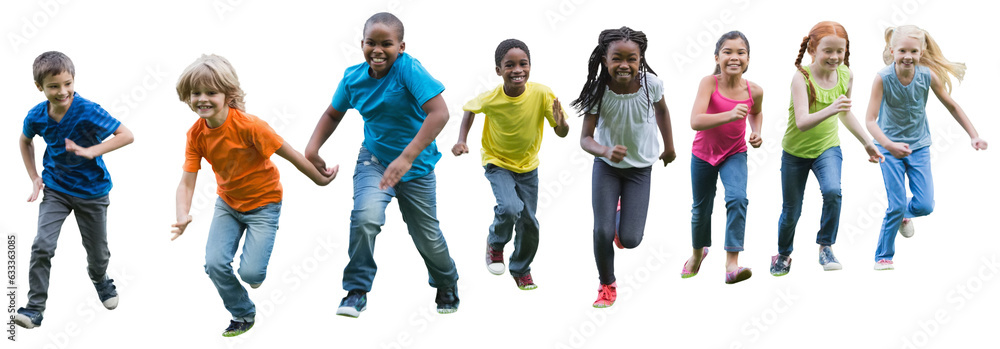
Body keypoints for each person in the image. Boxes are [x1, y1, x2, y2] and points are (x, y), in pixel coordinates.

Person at [304, 12, 460, 317]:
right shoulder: (353, 79)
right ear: (362, 43)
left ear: (401, 47)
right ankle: (356, 290)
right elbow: (333, 113)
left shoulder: (408, 70)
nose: (377, 50)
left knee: (427, 236)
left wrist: (407, 157)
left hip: (417, 167)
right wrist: (312, 148)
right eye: (371, 43)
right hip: (374, 160)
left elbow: (439, 113)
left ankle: (446, 281)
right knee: (365, 217)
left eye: (386, 44)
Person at [170, 54, 337, 337]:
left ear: (228, 94)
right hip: (228, 204)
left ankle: (254, 269)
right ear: (187, 96)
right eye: (196, 93)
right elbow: (187, 181)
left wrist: (320, 179)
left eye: (211, 92)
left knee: (251, 275)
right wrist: (182, 214)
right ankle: (243, 313)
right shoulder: (195, 135)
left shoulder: (250, 126)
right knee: (214, 264)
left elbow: (291, 155)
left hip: (264, 204)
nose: (202, 99)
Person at [14, 51, 135, 329]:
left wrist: (93, 150)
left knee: (98, 253)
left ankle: (100, 279)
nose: (62, 91)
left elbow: (126, 135)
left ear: (74, 80)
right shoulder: (36, 115)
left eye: (67, 83)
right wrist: (34, 176)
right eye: (53, 86)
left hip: (92, 191)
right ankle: (34, 308)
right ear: (40, 87)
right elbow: (25, 141)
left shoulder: (88, 110)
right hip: (56, 189)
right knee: (42, 246)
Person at [865, 25, 987, 270]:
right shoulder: (882, 78)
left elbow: (952, 105)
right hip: (888, 149)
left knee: (925, 206)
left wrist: (973, 135)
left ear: (921, 52)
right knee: (896, 204)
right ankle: (883, 256)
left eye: (913, 51)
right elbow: (870, 119)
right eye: (902, 50)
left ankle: (904, 214)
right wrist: (888, 144)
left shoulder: (927, 75)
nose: (908, 56)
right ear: (892, 50)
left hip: (918, 147)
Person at [452, 38, 569, 290]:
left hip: (528, 167)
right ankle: (495, 243)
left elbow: (562, 133)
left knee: (529, 222)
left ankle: (521, 268)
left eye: (523, 64)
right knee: (509, 207)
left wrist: (562, 124)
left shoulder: (542, 94)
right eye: (510, 65)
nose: (518, 70)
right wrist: (462, 140)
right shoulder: (492, 98)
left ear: (530, 66)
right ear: (499, 70)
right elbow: (470, 109)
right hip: (497, 162)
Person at [572, 26, 675, 308]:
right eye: (617, 58)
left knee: (630, 239)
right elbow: (585, 138)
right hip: (606, 167)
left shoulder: (652, 84)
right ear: (605, 59)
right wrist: (605, 150)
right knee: (602, 231)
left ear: (641, 59)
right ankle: (607, 284)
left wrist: (669, 147)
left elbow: (662, 111)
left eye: (632, 59)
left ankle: (620, 216)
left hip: (639, 169)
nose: (624, 65)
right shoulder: (598, 91)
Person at [770, 22, 883, 277]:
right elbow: (802, 122)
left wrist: (867, 143)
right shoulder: (801, 78)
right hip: (795, 153)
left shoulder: (846, 75)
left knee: (833, 191)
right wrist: (832, 108)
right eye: (828, 51)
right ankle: (783, 254)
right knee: (791, 210)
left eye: (839, 51)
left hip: (827, 148)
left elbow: (845, 113)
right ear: (813, 50)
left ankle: (826, 246)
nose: (834, 57)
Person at [682, 31, 763, 285]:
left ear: (748, 59)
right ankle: (698, 254)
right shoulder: (709, 83)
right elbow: (696, 121)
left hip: (734, 153)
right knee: (701, 209)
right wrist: (729, 115)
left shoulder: (755, 90)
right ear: (717, 57)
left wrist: (756, 131)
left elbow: (756, 112)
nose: (734, 57)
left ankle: (732, 264)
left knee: (738, 199)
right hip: (703, 154)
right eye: (728, 52)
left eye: (741, 52)